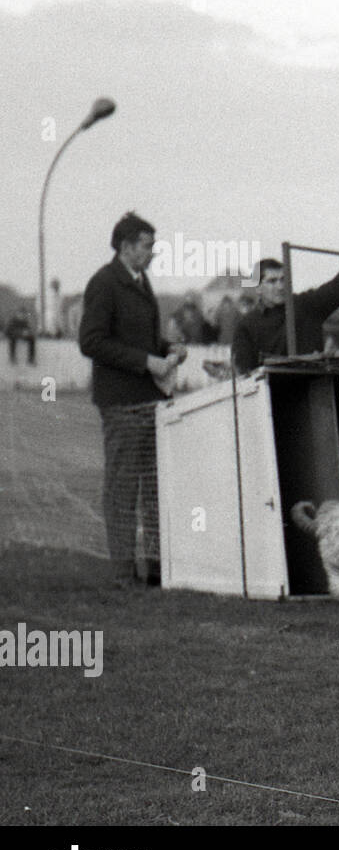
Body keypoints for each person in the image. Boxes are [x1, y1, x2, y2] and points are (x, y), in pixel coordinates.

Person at [79, 212, 188, 586]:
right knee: (124, 488)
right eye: (147, 246)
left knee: (155, 487)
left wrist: (168, 348)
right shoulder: (104, 284)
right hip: (121, 403)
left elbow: (137, 339)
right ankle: (124, 573)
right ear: (125, 246)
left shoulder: (142, 283)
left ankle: (156, 569)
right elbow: (91, 341)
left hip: (150, 400)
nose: (153, 253)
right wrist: (148, 361)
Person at [231, 249, 339, 375]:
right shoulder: (246, 325)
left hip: (315, 386)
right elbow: (244, 373)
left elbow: (338, 289)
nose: (280, 286)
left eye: (283, 280)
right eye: (272, 281)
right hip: (273, 391)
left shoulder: (306, 304)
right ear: (258, 287)